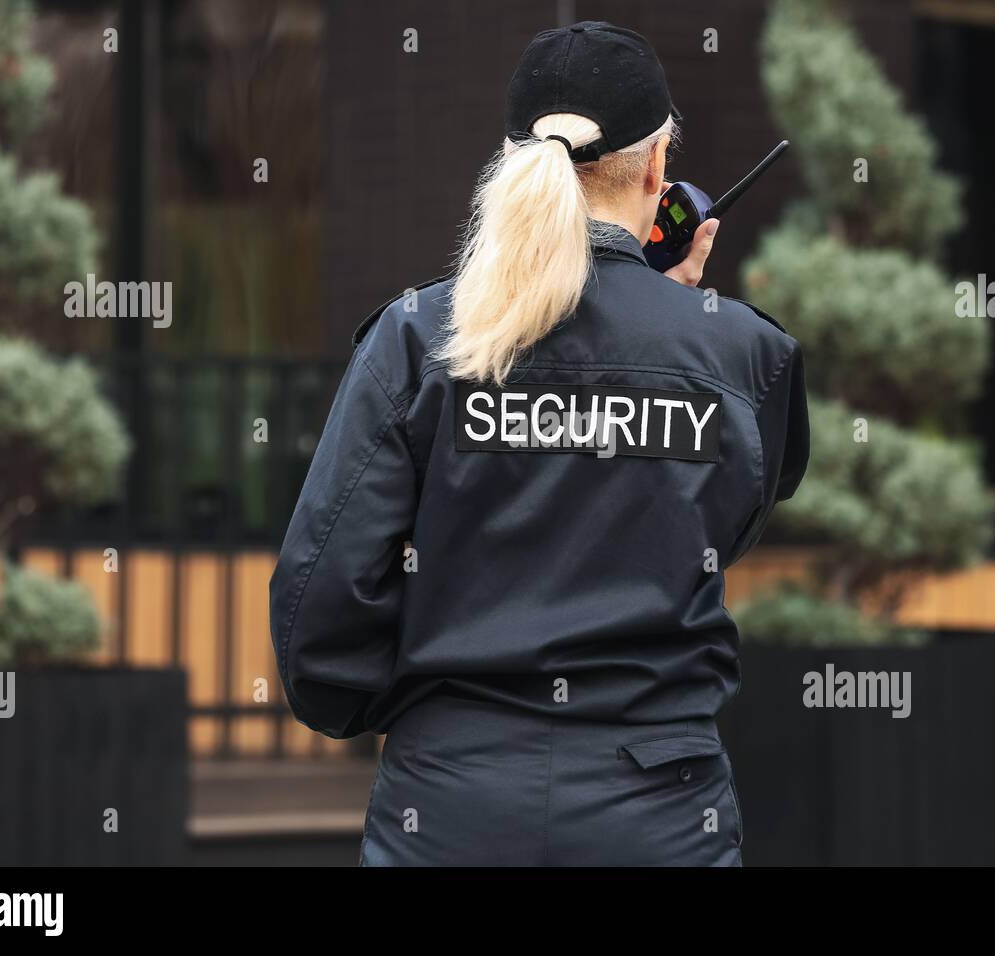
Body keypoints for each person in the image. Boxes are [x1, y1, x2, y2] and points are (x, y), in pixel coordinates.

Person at [270, 20, 808, 866]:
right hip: (660, 815)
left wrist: (423, 718)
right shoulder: (743, 356)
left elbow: (322, 592)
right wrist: (674, 326)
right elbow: (722, 528)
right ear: (658, 168)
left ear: (517, 161)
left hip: (448, 808)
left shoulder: (416, 339)